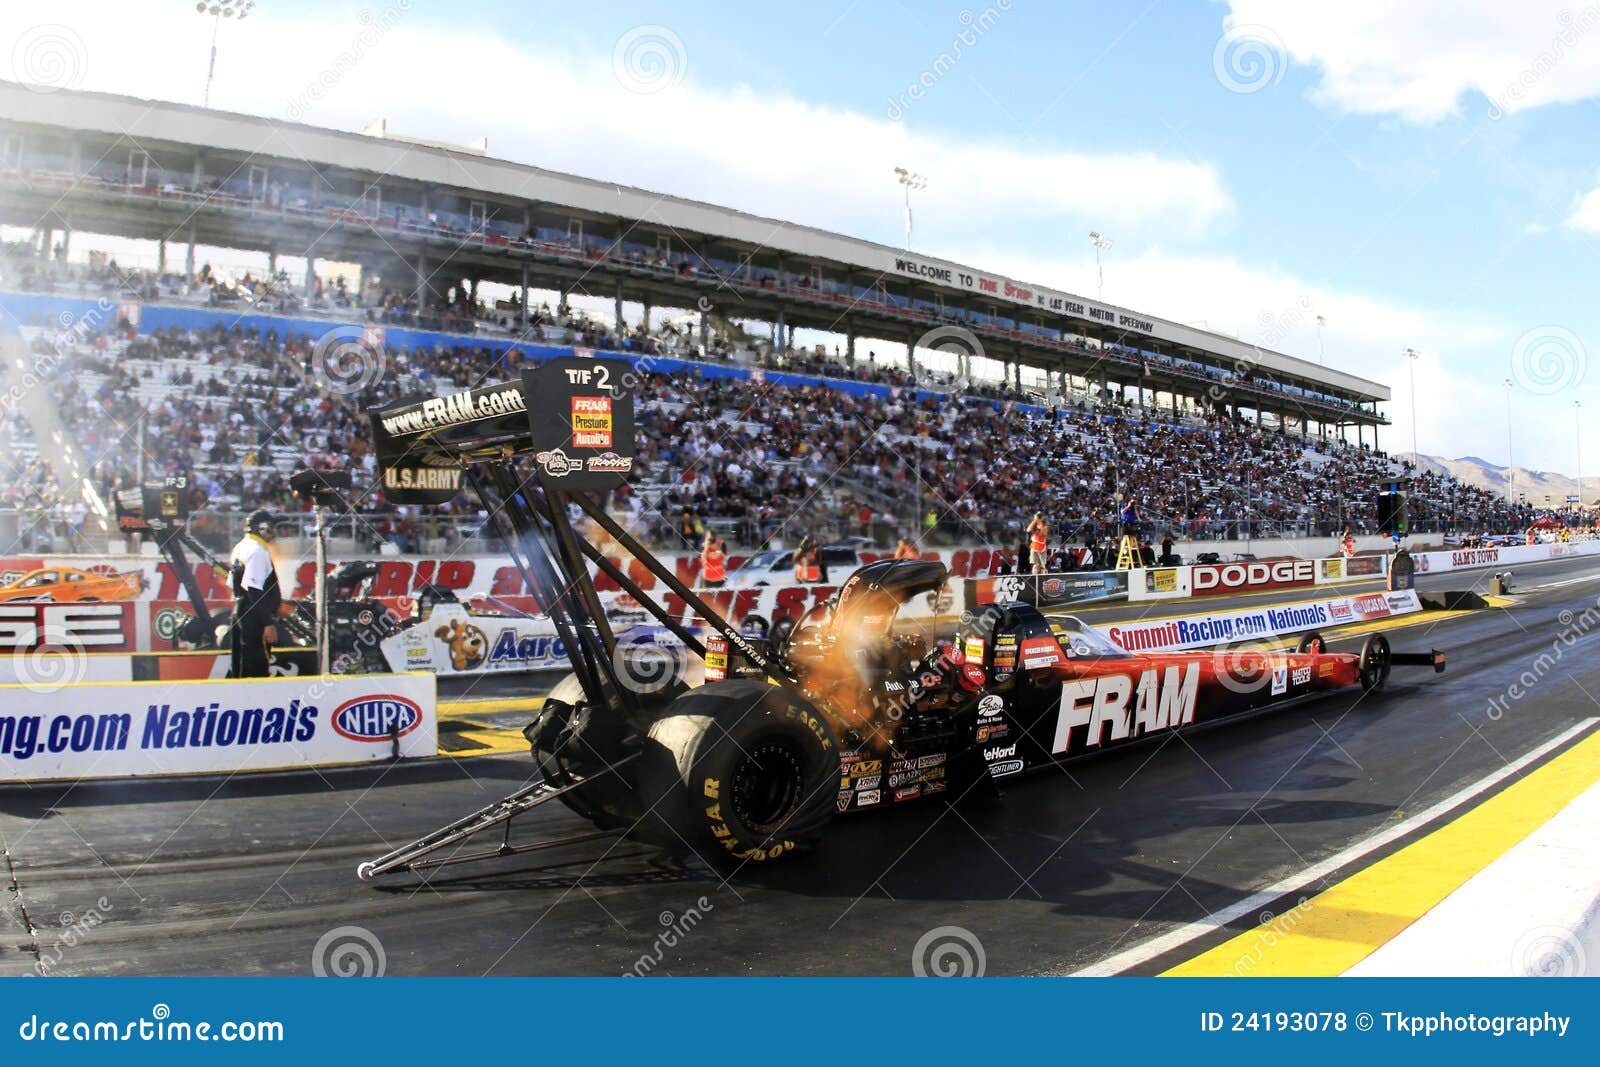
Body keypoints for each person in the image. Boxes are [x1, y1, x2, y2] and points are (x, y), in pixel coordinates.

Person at [229, 509, 282, 679]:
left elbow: (233, 584)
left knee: (241, 666)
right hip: (254, 619)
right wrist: (267, 623)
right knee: (258, 669)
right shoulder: (257, 551)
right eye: (271, 527)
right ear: (262, 528)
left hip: (240, 612)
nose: (273, 532)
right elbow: (253, 589)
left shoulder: (240, 547)